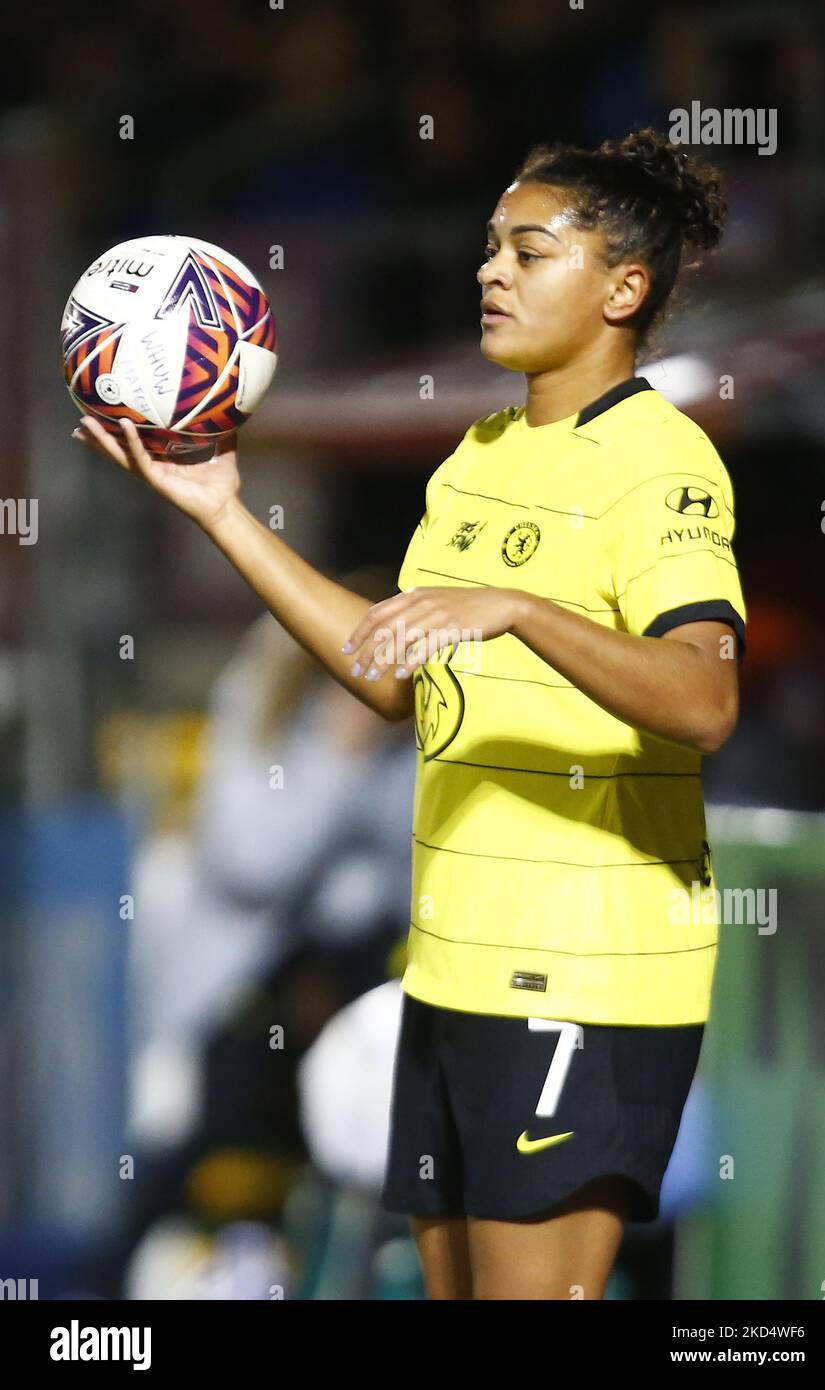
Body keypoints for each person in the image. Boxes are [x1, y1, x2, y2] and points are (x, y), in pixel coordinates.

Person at [73, 126, 747, 1301]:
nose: (490, 271)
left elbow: (706, 695)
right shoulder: (475, 459)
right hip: (448, 970)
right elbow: (390, 675)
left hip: (584, 977)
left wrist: (522, 610)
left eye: (530, 252)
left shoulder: (662, 460)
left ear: (624, 287)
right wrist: (222, 511)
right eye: (489, 247)